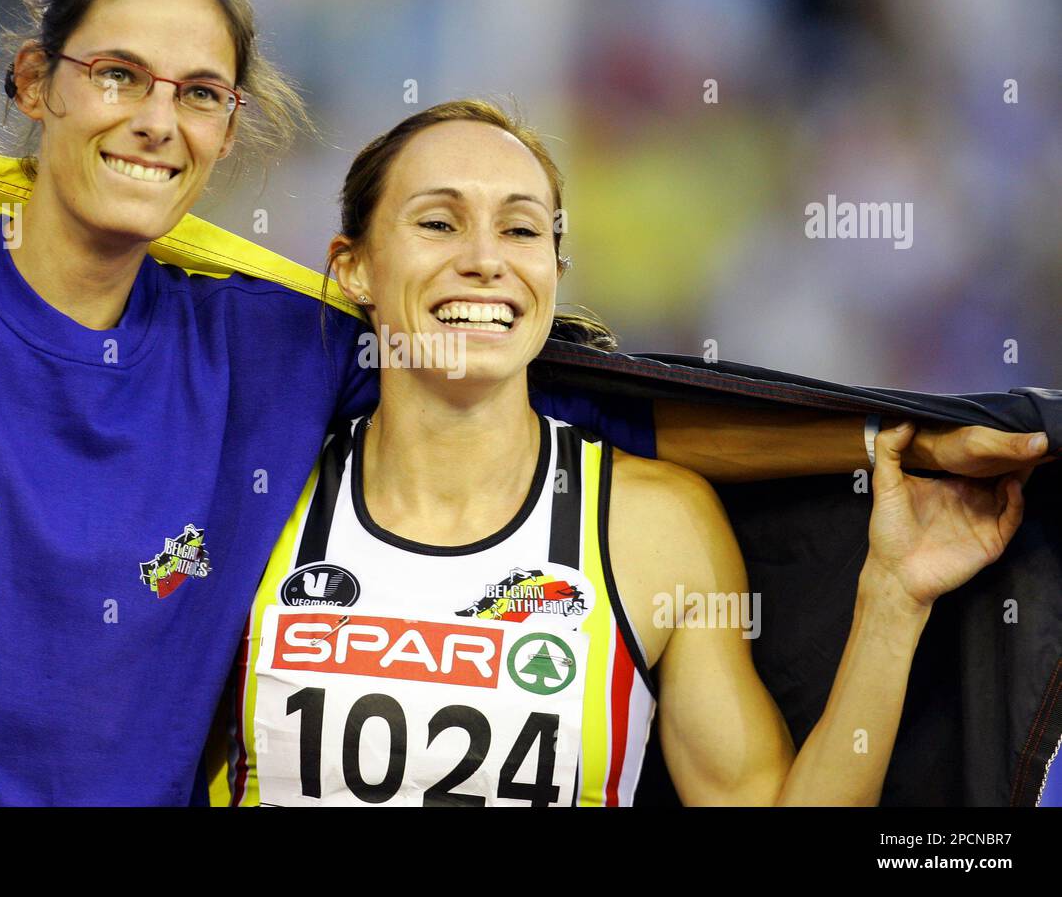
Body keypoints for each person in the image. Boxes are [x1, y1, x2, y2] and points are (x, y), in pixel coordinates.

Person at [0, 0, 1045, 806]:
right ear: (351, 273)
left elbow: (628, 407)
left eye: (201, 92)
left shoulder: (621, 512)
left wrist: (900, 467)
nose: (158, 118)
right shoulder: (262, 450)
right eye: (116, 74)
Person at [217, 100, 1028, 806]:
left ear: (554, 273)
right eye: (438, 221)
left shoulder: (656, 526)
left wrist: (895, 597)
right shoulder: (258, 497)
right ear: (352, 266)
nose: (485, 258)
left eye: (522, 228)